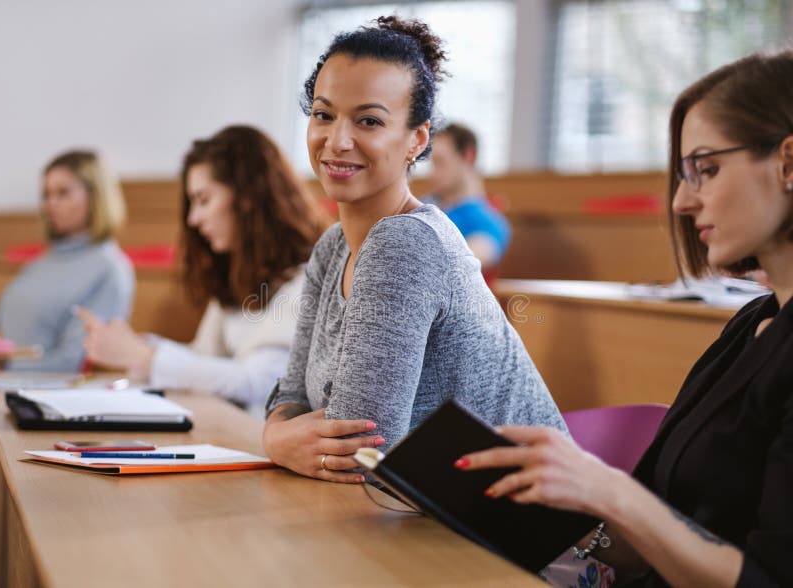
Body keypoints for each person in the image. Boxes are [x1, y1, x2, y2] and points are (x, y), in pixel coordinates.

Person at [457, 50, 793, 587]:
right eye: (684, 175)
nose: (682, 201)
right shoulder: (751, 322)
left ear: (788, 162)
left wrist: (608, 490)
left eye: (706, 169)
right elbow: (645, 550)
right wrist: (559, 496)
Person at [262, 16, 566, 484]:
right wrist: (277, 436)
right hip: (420, 520)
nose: (337, 141)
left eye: (369, 121)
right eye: (324, 115)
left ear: (417, 140)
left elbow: (363, 451)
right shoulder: (333, 246)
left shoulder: (406, 242)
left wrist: (277, 437)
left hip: (526, 541)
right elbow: (290, 394)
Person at [79, 126, 325, 417]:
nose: (194, 219)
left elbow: (258, 383)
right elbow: (202, 358)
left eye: (204, 200)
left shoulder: (305, 278)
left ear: (249, 197)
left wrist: (144, 356)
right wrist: (138, 346)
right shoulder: (239, 277)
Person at [0, 150, 134, 372]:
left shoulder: (109, 269)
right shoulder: (42, 260)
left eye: (63, 193)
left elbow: (72, 361)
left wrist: (7, 366)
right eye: (47, 194)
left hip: (42, 392)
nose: (51, 204)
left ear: (95, 196)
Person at [428, 123, 511, 271]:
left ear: (468, 156)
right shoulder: (424, 205)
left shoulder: (488, 221)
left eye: (440, 162)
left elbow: (461, 264)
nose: (433, 174)